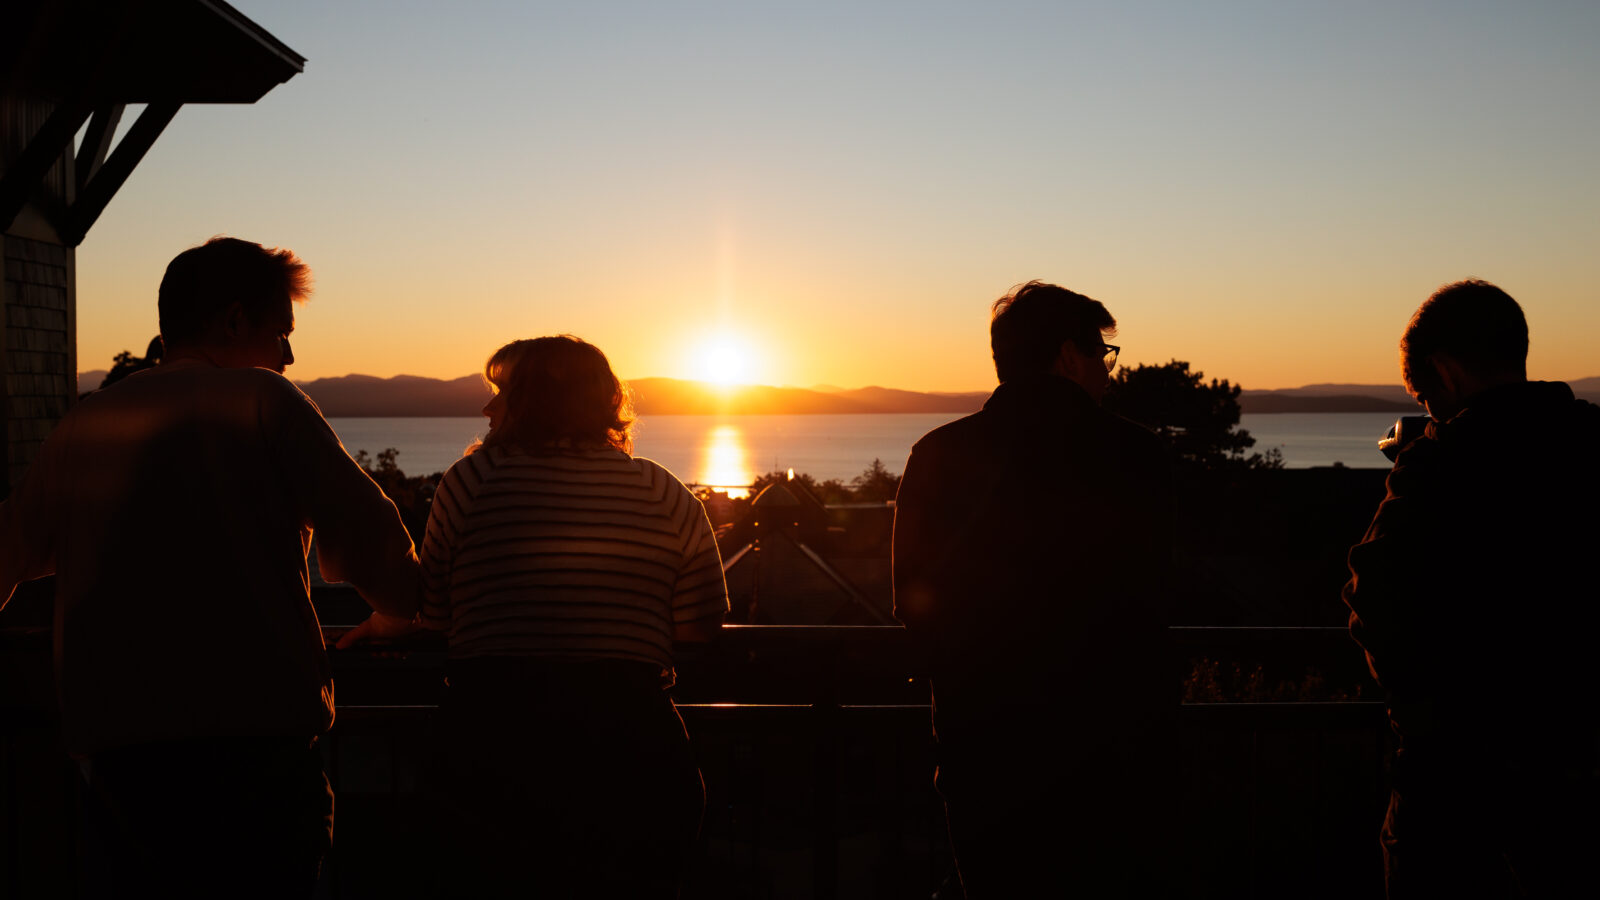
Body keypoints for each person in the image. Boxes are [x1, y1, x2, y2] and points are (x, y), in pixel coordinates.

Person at [0, 236, 422, 898]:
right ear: (233, 321)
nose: (288, 354)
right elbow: (377, 549)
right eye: (281, 332)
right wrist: (407, 607)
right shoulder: (264, 402)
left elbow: (10, 551)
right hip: (258, 749)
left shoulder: (85, 425)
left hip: (122, 759)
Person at [342, 335, 728, 897]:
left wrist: (384, 626)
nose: (487, 408)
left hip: (495, 743)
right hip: (631, 746)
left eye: (501, 392)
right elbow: (699, 625)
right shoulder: (664, 491)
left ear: (533, 401)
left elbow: (439, 611)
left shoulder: (471, 482)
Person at [892, 281, 1174, 897]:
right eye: (1103, 354)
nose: (1106, 370)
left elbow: (913, 603)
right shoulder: (1135, 456)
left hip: (985, 752)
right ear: (1069, 356)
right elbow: (1167, 589)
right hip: (1115, 756)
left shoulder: (938, 455)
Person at [1343, 279, 1600, 898]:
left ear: (1445, 370)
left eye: (1427, 395)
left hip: (1459, 781)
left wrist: (1426, 722)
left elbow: (1375, 596)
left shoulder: (1442, 464)